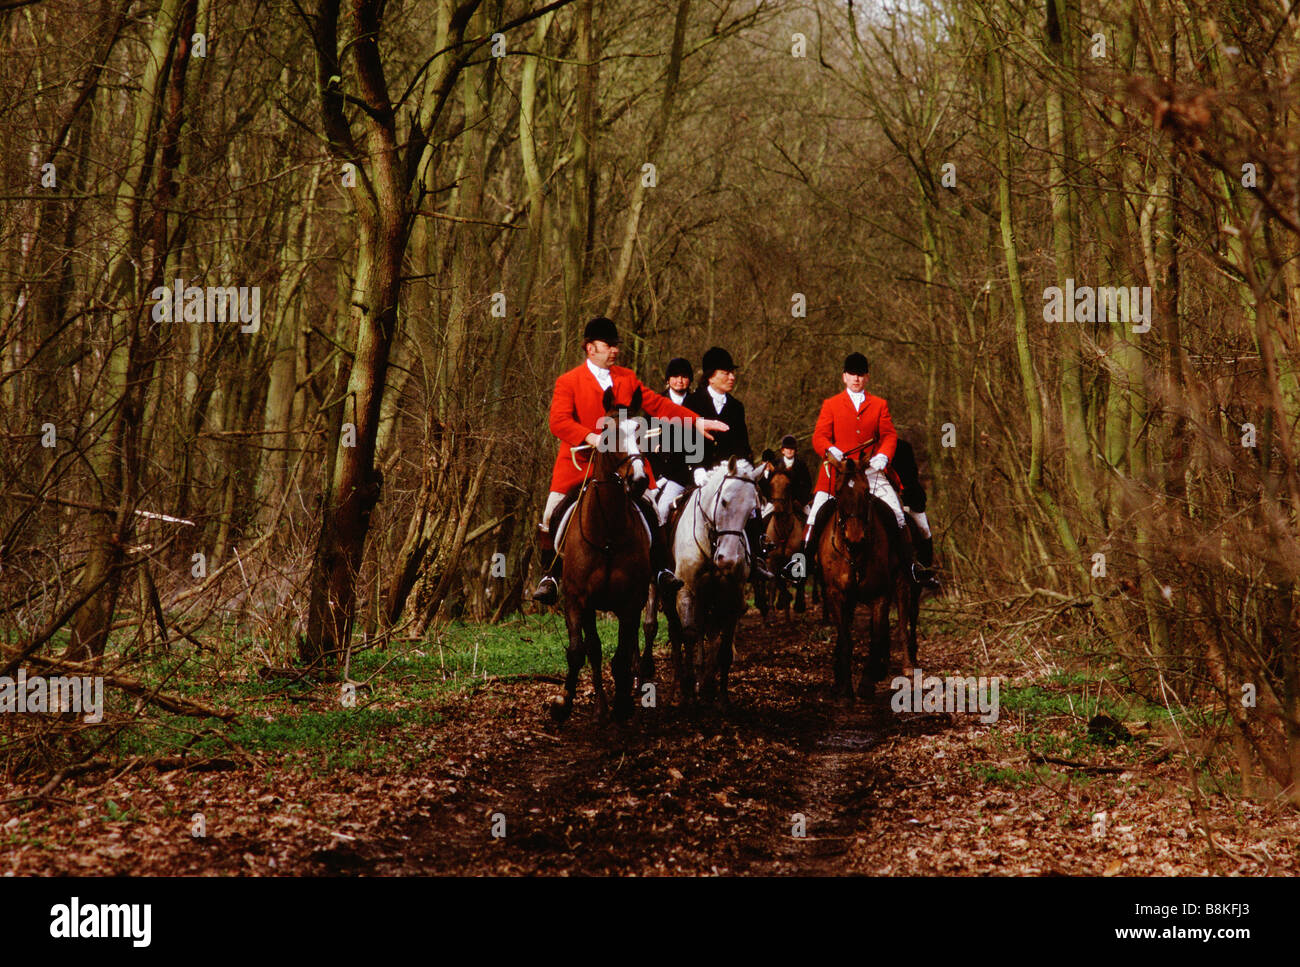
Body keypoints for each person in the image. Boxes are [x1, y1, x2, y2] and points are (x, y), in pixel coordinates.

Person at [532, 319, 728, 606]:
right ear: (590, 348)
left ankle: (661, 569)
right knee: (550, 515)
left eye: (616, 345)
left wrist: (696, 421)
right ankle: (550, 576)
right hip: (581, 463)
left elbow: (658, 406)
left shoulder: (626, 377)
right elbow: (558, 421)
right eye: (609, 345)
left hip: (624, 463)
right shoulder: (569, 381)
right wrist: (592, 437)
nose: (615, 350)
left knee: (654, 509)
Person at [781, 352, 937, 588]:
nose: (856, 379)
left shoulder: (879, 405)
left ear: (867, 378)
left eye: (861, 375)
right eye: (852, 374)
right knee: (815, 516)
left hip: (870, 473)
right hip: (837, 473)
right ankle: (801, 566)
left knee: (897, 514)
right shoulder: (830, 404)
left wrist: (883, 455)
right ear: (844, 377)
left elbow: (888, 435)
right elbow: (819, 437)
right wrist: (831, 450)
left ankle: (912, 567)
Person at [647, 357, 694, 524]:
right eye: (675, 377)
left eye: (684, 377)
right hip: (658, 470)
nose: (679, 381)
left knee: (663, 508)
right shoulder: (656, 403)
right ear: (668, 380)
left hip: (684, 472)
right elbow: (648, 438)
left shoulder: (697, 402)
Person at [891, 437, 939, 585]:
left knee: (924, 528)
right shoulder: (863, 448)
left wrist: (903, 493)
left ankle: (924, 570)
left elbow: (911, 475)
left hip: (906, 498)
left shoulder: (903, 447)